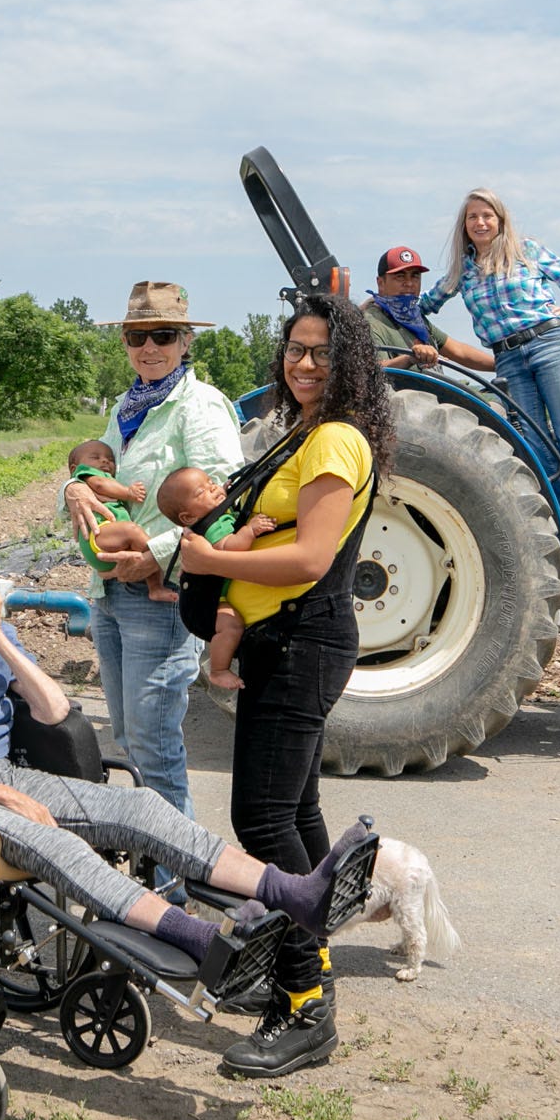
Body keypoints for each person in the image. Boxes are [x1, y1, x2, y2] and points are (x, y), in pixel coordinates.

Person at [0, 500, 377, 980]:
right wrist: (6, 797)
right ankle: (199, 939)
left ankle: (293, 892)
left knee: (142, 807)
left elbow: (55, 711)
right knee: (57, 841)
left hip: (0, 775)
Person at [177, 295, 391, 1077]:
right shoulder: (306, 432)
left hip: (305, 639)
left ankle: (302, 1007)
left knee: (261, 816)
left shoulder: (334, 439)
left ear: (350, 365)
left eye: (322, 354)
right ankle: (312, 982)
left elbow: (309, 561)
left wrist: (212, 565)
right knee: (294, 814)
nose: (304, 364)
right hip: (283, 639)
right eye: (296, 350)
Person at [61, 282, 243, 844]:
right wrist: (73, 486)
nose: (150, 347)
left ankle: (178, 886)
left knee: (154, 749)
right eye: (138, 335)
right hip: (112, 592)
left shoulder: (199, 405)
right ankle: (161, 870)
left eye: (163, 335)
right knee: (130, 737)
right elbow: (99, 470)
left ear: (186, 341)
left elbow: (227, 497)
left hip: (159, 598)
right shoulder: (126, 406)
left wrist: (158, 555)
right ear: (124, 340)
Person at [419, 190, 560, 572]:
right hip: (509, 358)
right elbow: (426, 305)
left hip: (550, 345)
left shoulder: (525, 251)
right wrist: (381, 309)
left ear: (500, 220)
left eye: (487, 216)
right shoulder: (462, 271)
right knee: (537, 448)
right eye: (472, 217)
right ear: (464, 227)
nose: (480, 223)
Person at [151, 466, 275, 686]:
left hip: (217, 593)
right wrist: (251, 530)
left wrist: (226, 493)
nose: (213, 489)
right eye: (202, 492)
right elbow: (230, 548)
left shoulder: (217, 514)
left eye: (211, 483)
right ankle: (218, 670)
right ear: (188, 516)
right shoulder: (211, 526)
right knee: (231, 626)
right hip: (210, 600)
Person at [361, 245, 495, 373]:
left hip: (433, 393)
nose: (409, 283)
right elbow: (374, 370)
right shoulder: (370, 322)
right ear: (381, 283)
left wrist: (501, 364)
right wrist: (410, 358)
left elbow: (459, 351)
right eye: (400, 276)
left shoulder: (415, 319)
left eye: (415, 276)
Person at [65, 440, 149, 587]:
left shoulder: (108, 477)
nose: (104, 460)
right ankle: (158, 560)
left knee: (142, 556)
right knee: (133, 531)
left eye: (110, 459)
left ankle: (155, 587)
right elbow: (100, 485)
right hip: (98, 536)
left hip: (109, 541)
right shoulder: (86, 474)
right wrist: (128, 492)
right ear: (74, 468)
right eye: (95, 457)